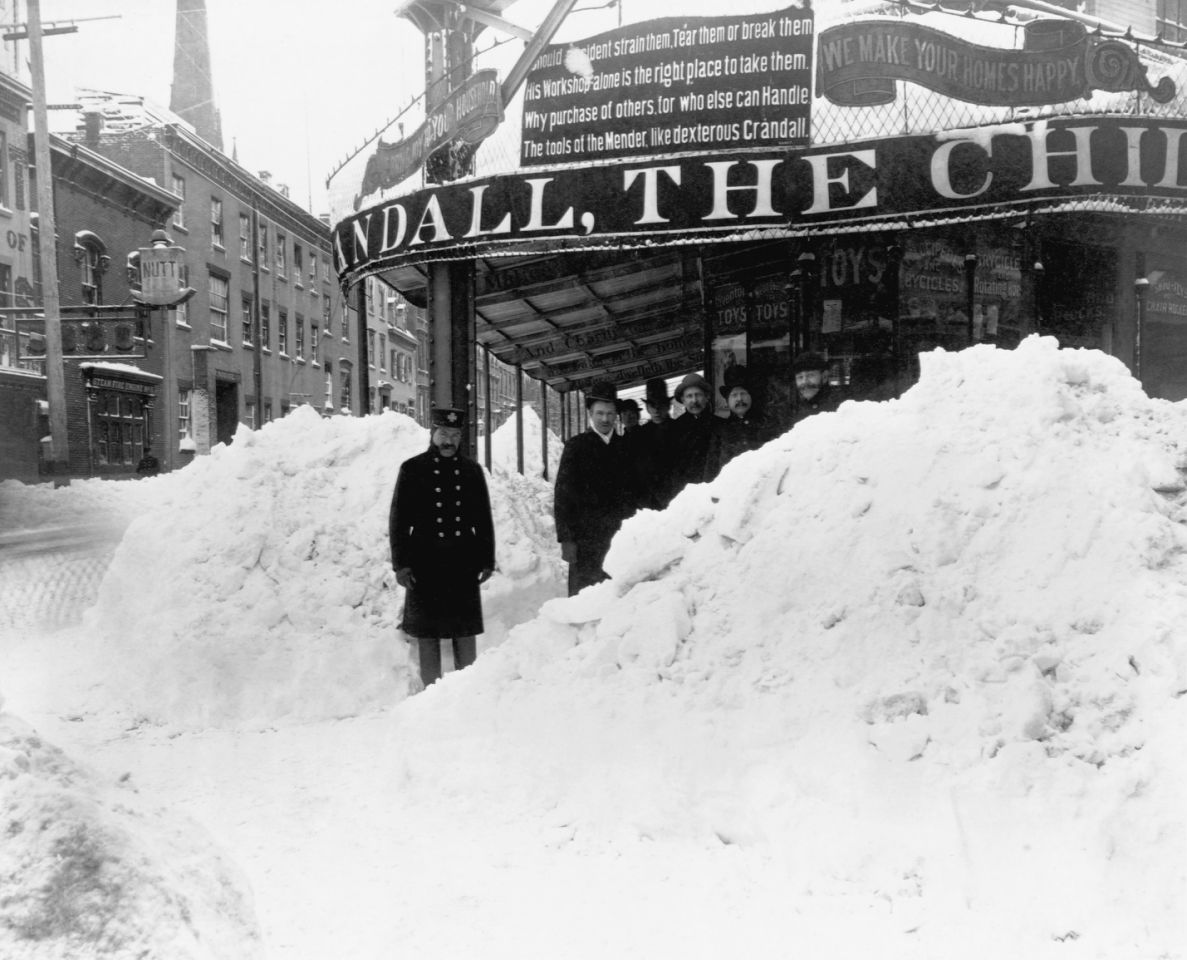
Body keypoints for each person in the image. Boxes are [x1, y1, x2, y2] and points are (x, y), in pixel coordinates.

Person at [389, 407, 495, 690]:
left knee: (464, 631)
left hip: (463, 560)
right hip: (425, 561)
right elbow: (398, 521)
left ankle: (467, 688)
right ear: (433, 433)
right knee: (428, 632)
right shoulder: (412, 469)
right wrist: (401, 564)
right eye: (444, 434)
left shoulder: (471, 471)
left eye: (455, 435)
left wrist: (487, 560)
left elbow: (483, 519)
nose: (449, 441)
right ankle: (431, 692)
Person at [554, 380, 636, 595]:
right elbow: (563, 496)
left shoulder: (626, 448)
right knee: (585, 598)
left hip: (619, 537)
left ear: (616, 414)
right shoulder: (576, 446)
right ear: (590, 413)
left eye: (610, 413)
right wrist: (567, 539)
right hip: (585, 539)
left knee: (618, 594)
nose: (605, 419)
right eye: (600, 413)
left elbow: (636, 492)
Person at [706, 366, 768, 479]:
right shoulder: (720, 432)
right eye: (734, 395)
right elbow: (712, 470)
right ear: (727, 400)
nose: (739, 399)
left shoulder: (765, 423)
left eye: (743, 393)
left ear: (751, 396)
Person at [666, 372, 715, 501]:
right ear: (683, 400)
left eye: (698, 395)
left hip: (715, 490)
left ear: (707, 397)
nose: (694, 400)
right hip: (687, 495)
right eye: (689, 396)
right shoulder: (674, 429)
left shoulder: (720, 424)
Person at [632, 377, 674, 508]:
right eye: (652, 405)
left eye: (660, 405)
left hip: (676, 500)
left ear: (668, 406)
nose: (656, 410)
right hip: (649, 502)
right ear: (646, 407)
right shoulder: (639, 435)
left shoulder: (681, 430)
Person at [789, 352, 844, 426]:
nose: (804, 382)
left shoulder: (840, 407)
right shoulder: (790, 409)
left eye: (810, 375)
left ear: (824, 377)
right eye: (800, 377)